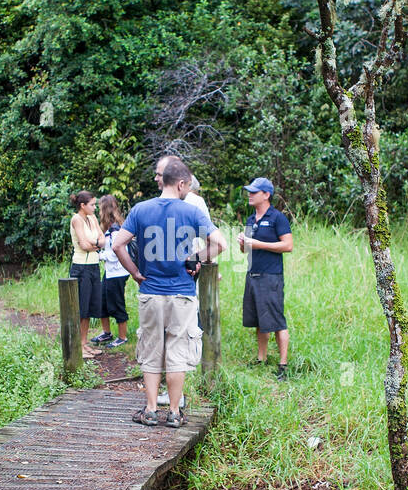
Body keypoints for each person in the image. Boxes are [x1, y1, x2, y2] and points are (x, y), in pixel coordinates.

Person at [114, 159, 227, 427]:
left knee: (152, 348)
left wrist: (135, 273)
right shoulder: (190, 212)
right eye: (186, 185)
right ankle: (175, 412)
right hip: (182, 293)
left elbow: (118, 244)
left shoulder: (141, 210)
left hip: (151, 291)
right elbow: (219, 243)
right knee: (177, 349)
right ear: (180, 183)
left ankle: (151, 409)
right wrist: (197, 258)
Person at [239, 176, 293, 380]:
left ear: (266, 195)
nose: (250, 195)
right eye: (249, 192)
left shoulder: (278, 217)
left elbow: (287, 245)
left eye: (254, 192)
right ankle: (261, 358)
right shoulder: (250, 219)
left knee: (277, 320)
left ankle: (283, 365)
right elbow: (246, 250)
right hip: (253, 273)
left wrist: (257, 243)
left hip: (271, 276)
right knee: (259, 320)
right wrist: (243, 243)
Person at [69, 191, 107, 359]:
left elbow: (103, 239)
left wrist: (96, 244)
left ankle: (84, 343)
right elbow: (83, 244)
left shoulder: (92, 219)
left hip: (94, 266)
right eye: (92, 204)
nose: (94, 207)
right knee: (81, 308)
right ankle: (78, 344)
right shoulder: (76, 219)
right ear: (82, 206)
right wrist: (96, 244)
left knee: (91, 307)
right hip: (81, 267)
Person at [92, 194, 130, 348]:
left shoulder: (115, 230)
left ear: (104, 210)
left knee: (117, 303)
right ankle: (106, 333)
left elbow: (117, 252)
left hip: (118, 273)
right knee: (102, 302)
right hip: (110, 272)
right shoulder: (108, 229)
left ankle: (122, 337)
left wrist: (100, 256)